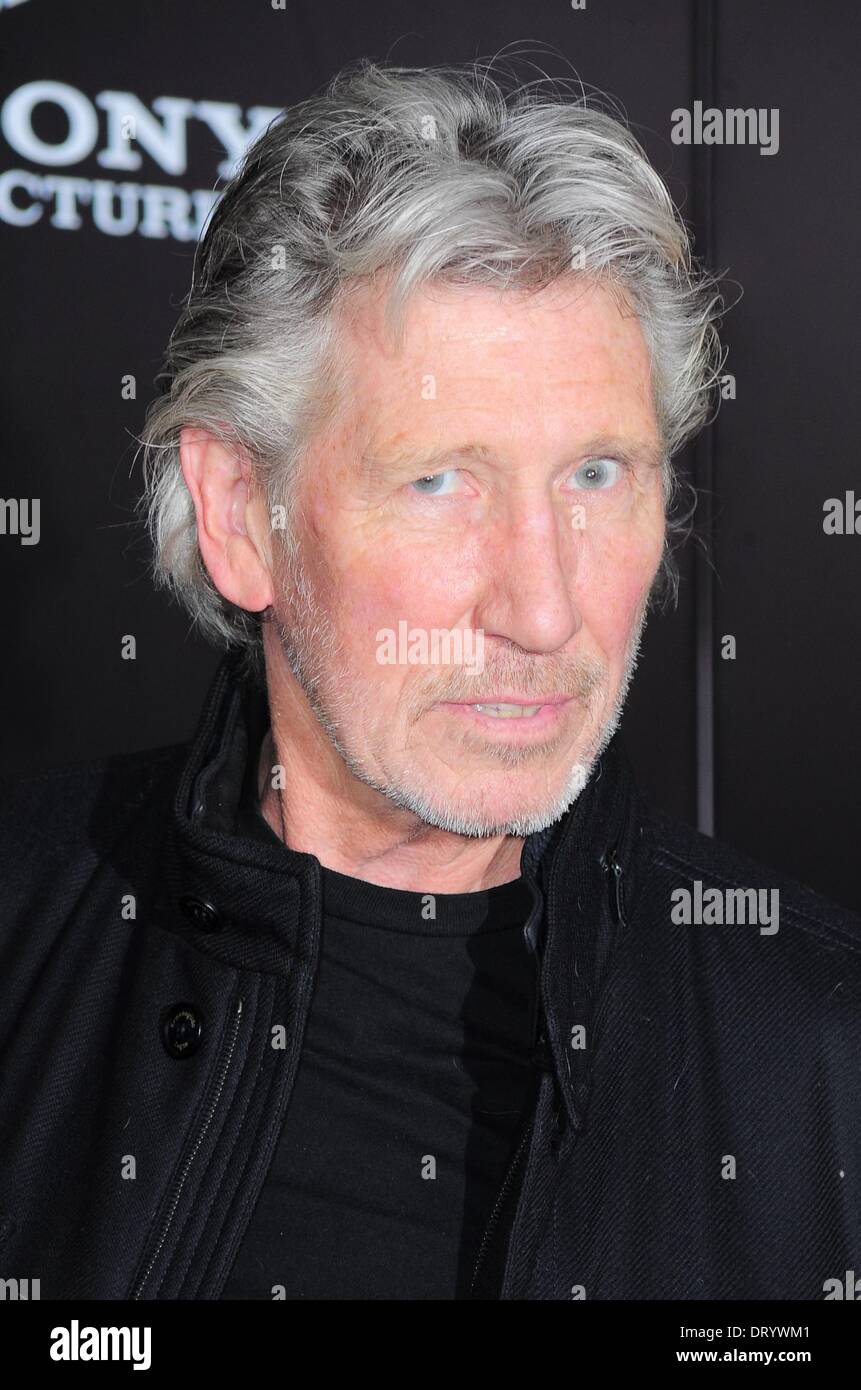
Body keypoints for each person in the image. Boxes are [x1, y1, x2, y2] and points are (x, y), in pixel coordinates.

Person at [1, 59, 859, 1301]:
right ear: (241, 512)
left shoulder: (819, 1055)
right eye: (439, 481)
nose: (543, 606)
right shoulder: (28, 940)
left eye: (597, 476)